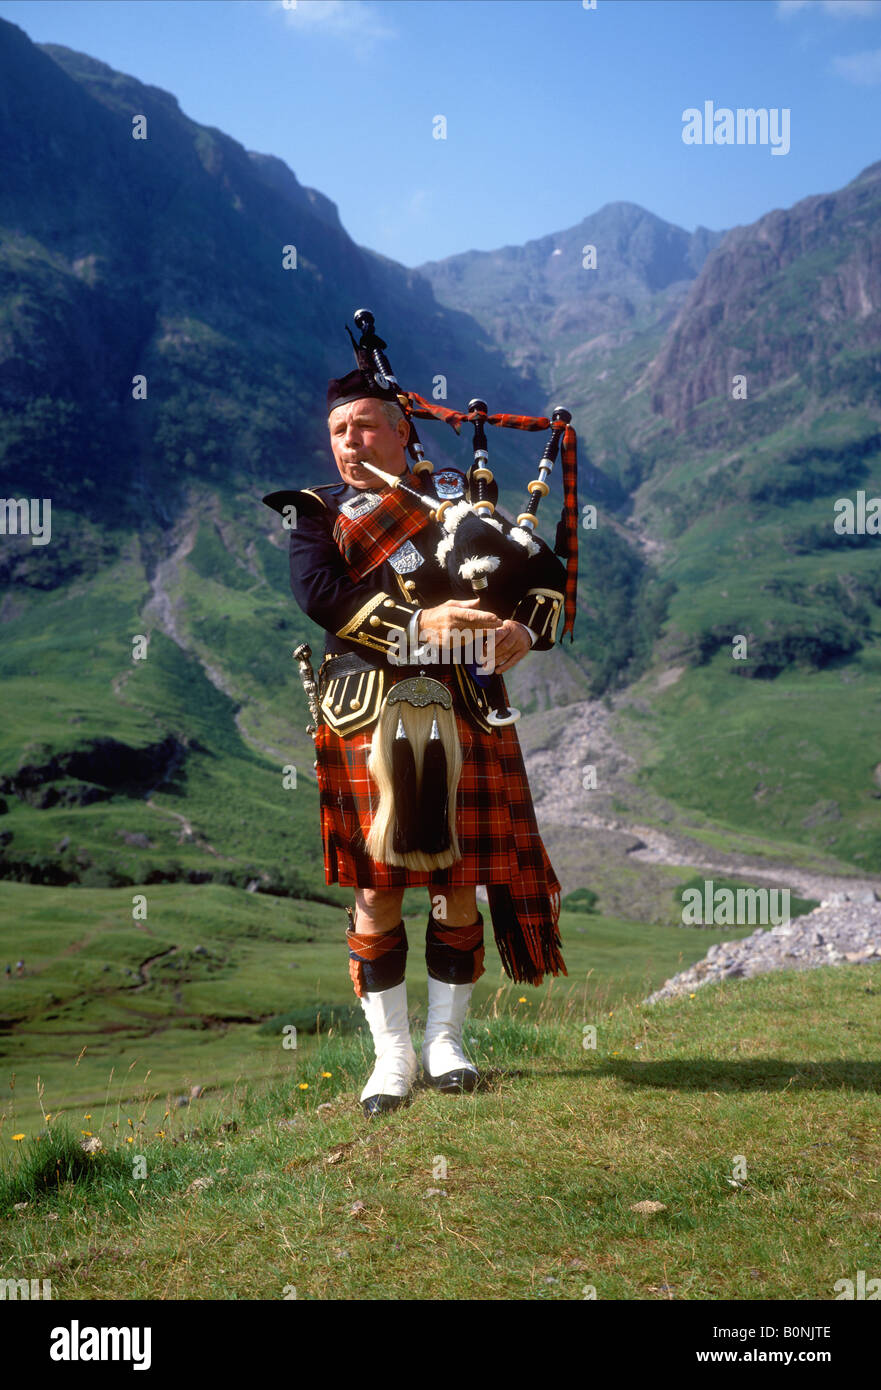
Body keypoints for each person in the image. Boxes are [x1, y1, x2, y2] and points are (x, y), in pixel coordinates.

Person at [264, 367, 567, 1117]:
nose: (349, 441)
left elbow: (547, 580)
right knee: (376, 888)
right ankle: (390, 1058)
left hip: (463, 704)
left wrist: (521, 629)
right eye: (338, 430)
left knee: (456, 882)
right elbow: (320, 596)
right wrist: (417, 628)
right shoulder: (316, 511)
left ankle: (446, 1045)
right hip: (366, 713)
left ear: (403, 433)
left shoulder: (460, 508)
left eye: (365, 426)